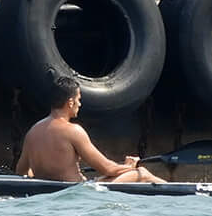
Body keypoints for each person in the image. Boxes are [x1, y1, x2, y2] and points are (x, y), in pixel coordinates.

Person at [15, 75, 164, 183]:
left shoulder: (32, 132)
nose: (80, 104)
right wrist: (128, 165)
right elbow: (108, 169)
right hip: (77, 193)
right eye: (79, 99)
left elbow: (21, 172)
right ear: (71, 102)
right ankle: (184, 195)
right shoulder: (73, 131)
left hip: (50, 192)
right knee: (142, 173)